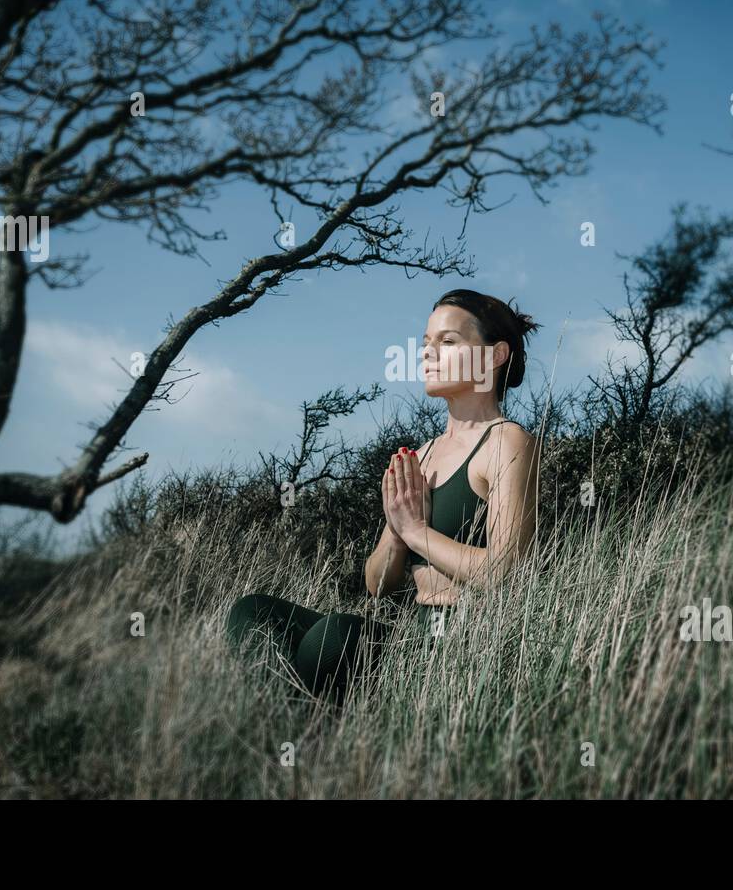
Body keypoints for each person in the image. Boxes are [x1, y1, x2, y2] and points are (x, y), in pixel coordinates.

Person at [226, 289, 542, 705]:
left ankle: (297, 726)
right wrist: (395, 532)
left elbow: (507, 571)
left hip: (456, 650)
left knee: (336, 636)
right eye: (426, 343)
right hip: (406, 638)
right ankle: (293, 723)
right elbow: (376, 584)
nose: (428, 353)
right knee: (253, 611)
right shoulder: (422, 455)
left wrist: (415, 531)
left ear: (495, 355)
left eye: (447, 342)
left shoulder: (507, 441)